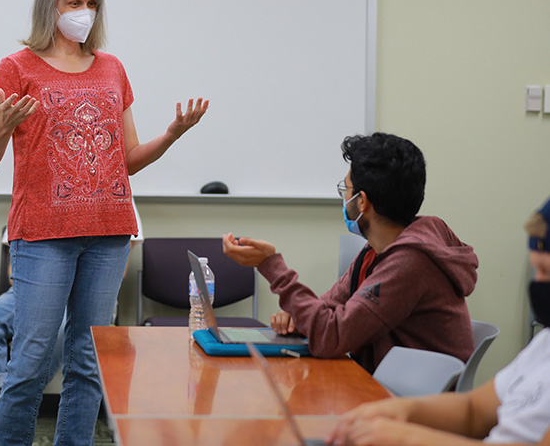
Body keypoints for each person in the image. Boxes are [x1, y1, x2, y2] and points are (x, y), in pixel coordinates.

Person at [0, 0, 207, 446]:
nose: (85, 13)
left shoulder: (112, 68)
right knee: (33, 359)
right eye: (74, 3)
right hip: (43, 236)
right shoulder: (14, 68)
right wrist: (5, 128)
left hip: (110, 233)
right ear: (49, 6)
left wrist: (172, 135)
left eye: (92, 4)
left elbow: (129, 159)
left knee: (88, 360)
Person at [222, 132, 478, 373]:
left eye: (346, 190)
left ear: (362, 202)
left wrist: (271, 266)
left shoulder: (410, 261)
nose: (344, 199)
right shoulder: (377, 250)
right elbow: (328, 310)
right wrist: (300, 316)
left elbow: (330, 336)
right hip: (388, 384)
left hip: (414, 403)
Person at [326, 195, 550, 446]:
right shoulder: (543, 346)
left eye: (547, 272)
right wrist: (402, 412)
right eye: (537, 271)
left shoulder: (409, 260)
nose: (539, 283)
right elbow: (473, 410)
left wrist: (406, 436)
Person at [0, 203, 143, 446]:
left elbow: (120, 268)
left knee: (85, 360)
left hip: (90, 269)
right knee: (26, 357)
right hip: (41, 264)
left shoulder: (116, 194)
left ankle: (5, 420)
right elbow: (15, 270)